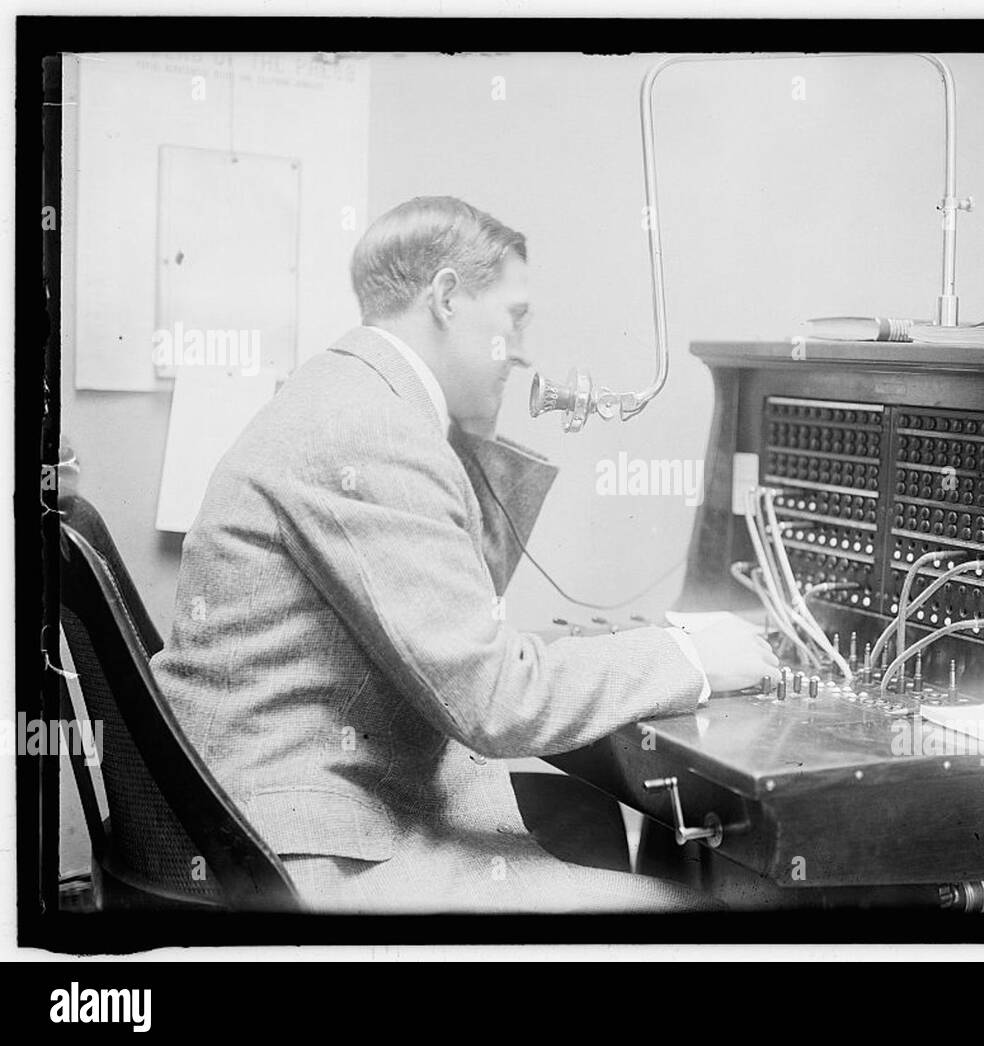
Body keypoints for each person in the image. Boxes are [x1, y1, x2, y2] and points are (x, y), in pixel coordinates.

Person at [150, 196, 777, 912]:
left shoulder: (348, 393)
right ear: (447, 297)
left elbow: (449, 635)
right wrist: (692, 660)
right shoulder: (374, 427)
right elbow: (493, 701)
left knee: (587, 815)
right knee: (706, 916)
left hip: (247, 805)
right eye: (514, 316)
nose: (526, 348)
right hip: (301, 855)